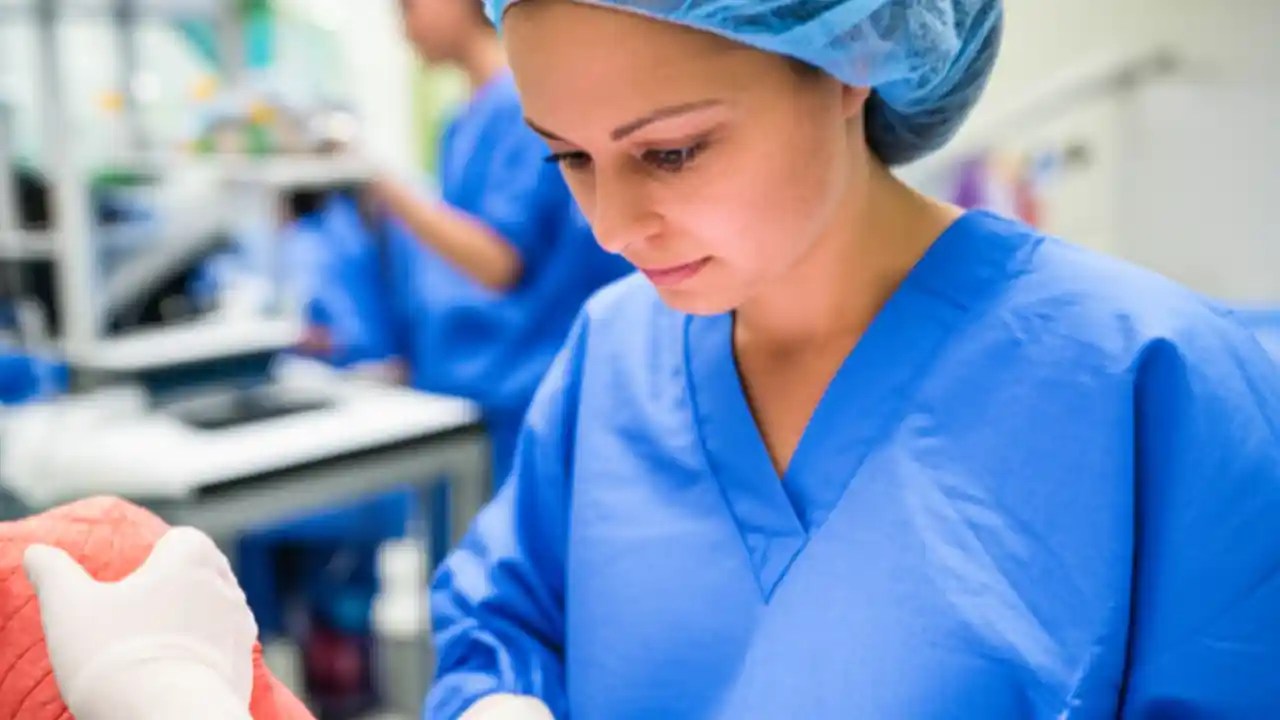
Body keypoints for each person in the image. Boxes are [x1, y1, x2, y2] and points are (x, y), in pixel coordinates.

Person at [26, 1, 1280, 719]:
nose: (610, 230)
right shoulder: (616, 354)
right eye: (566, 156)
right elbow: (504, 624)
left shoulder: (1155, 390)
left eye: (669, 151)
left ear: (851, 58)